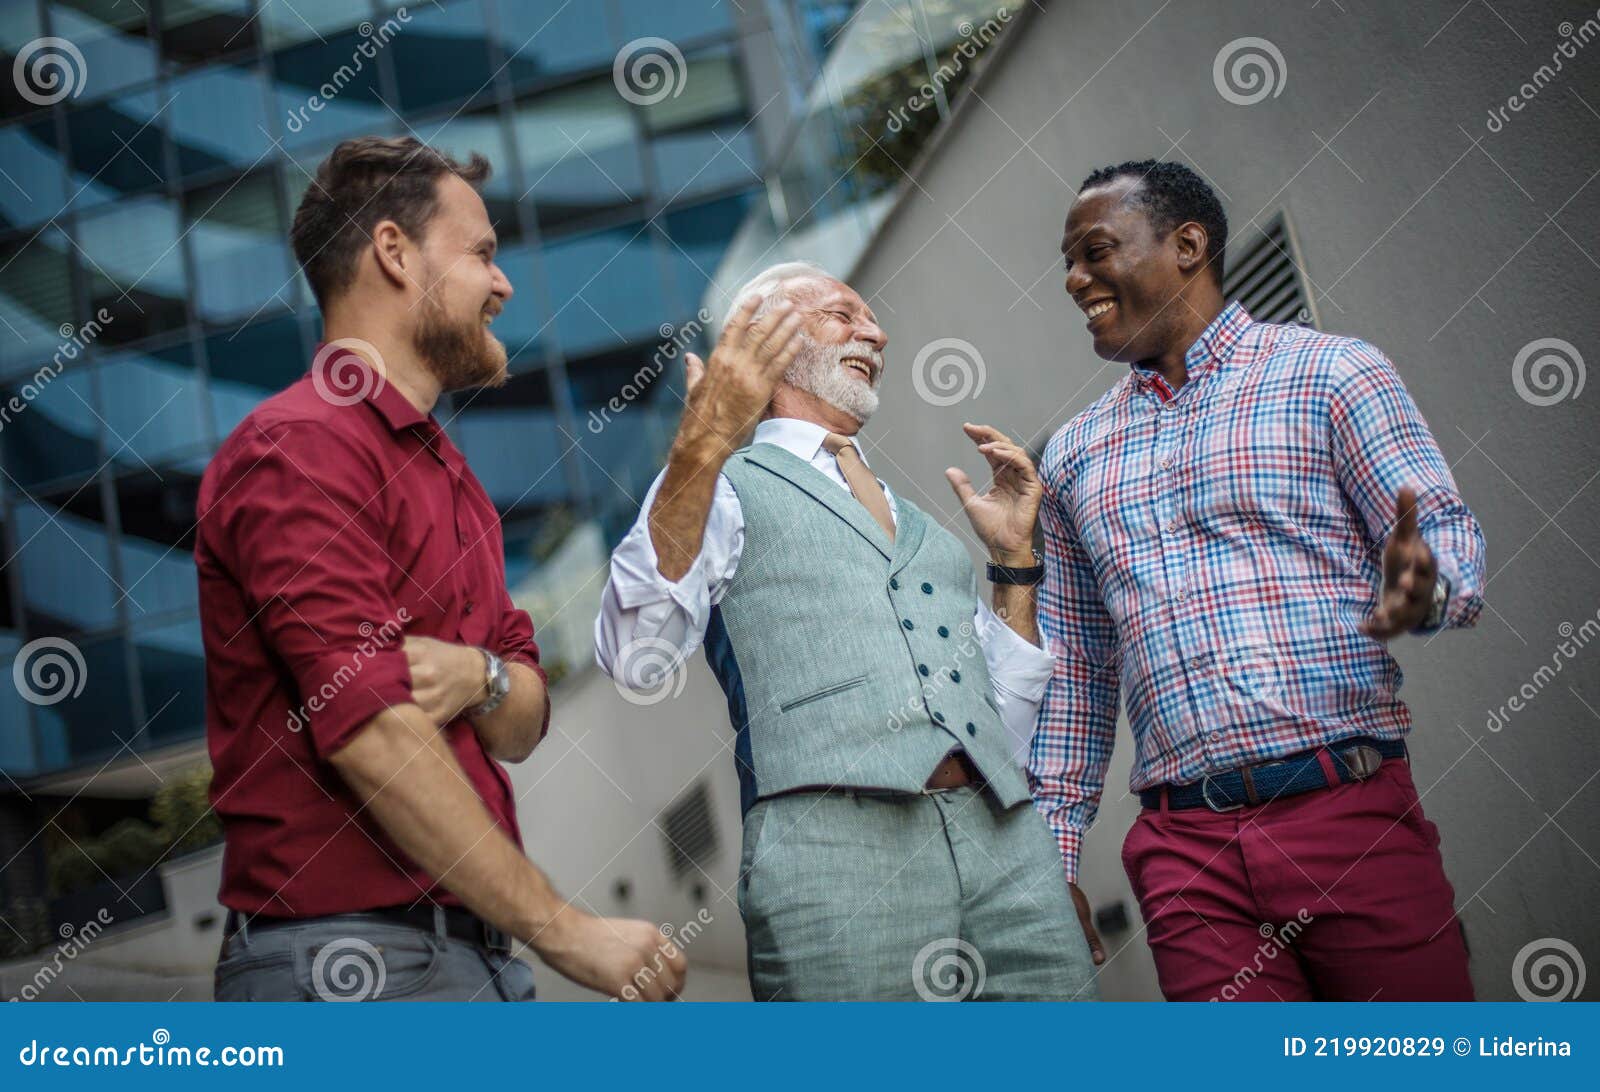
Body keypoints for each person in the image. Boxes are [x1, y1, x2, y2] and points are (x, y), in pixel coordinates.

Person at [198, 136, 683, 1002]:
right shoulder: (299, 446)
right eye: (484, 254)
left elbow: (523, 719)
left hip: (474, 960)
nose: (503, 285)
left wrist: (481, 675)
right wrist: (568, 932)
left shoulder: (450, 477)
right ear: (393, 251)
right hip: (347, 968)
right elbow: (372, 730)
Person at [1034, 159, 1486, 1000]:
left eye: (1096, 251)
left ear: (1187, 245)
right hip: (1184, 854)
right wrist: (1054, 855)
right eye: (1067, 261)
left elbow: (1445, 536)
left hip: (1347, 814)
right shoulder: (1072, 457)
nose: (1074, 280)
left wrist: (1430, 588)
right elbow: (1080, 677)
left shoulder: (1332, 374)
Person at [595, 261, 1098, 1001]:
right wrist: (703, 439)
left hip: (1007, 847)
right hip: (832, 853)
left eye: (870, 318)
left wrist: (1013, 566)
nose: (877, 332)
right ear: (763, 337)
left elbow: (999, 722)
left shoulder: (922, 523)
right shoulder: (719, 485)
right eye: (843, 315)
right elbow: (636, 654)